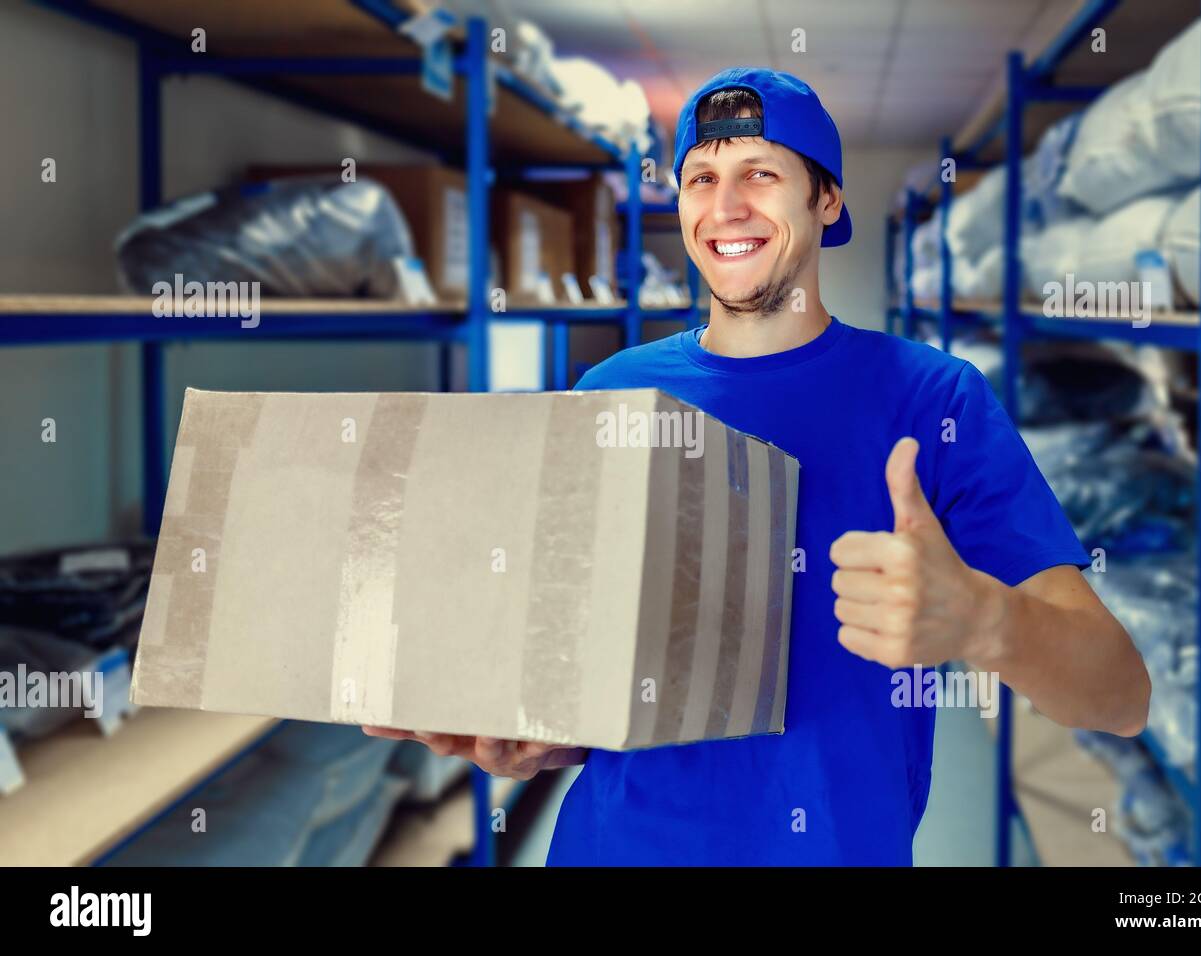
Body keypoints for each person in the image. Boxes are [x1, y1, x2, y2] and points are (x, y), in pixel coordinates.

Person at [365, 67, 1150, 865]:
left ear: (828, 200)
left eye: (761, 173)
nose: (725, 207)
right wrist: (537, 740)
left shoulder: (934, 400)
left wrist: (985, 618)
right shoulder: (609, 395)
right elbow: (593, 687)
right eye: (701, 178)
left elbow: (1120, 697)